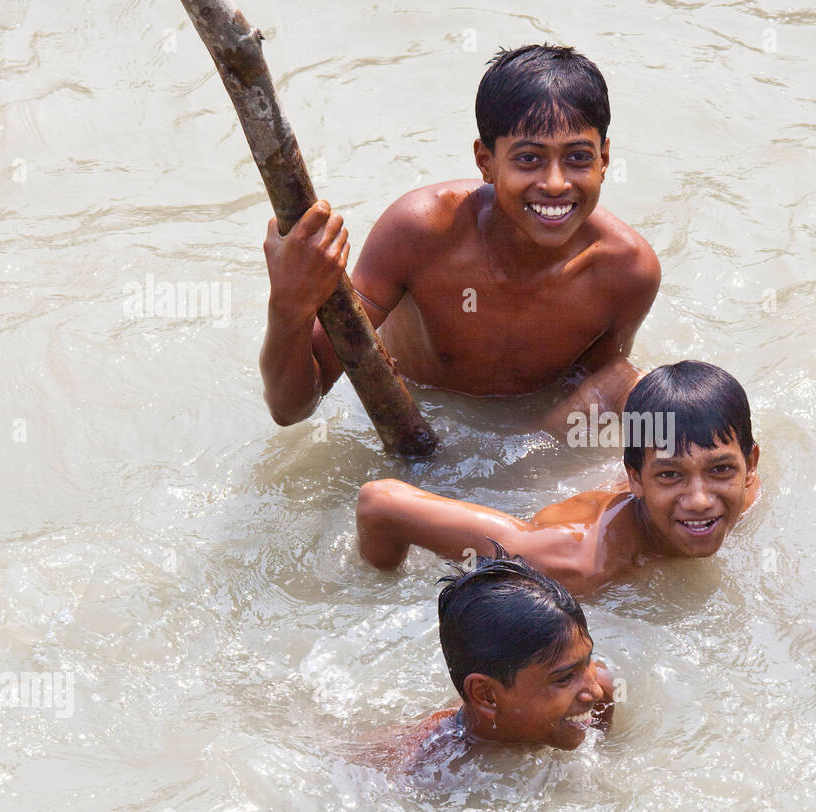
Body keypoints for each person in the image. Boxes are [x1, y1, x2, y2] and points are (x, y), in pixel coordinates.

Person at [259, 44, 660, 434]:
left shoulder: (627, 270)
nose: (555, 183)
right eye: (529, 159)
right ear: (485, 161)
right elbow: (291, 408)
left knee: (631, 386)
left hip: (529, 441)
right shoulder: (421, 232)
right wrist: (289, 303)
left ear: (604, 160)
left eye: (578, 157)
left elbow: (590, 387)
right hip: (412, 421)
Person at [355, 360, 761, 595]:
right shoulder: (573, 563)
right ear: (635, 478)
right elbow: (380, 504)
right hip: (516, 478)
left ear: (750, 464)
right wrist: (380, 588)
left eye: (720, 469)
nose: (701, 500)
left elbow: (625, 377)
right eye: (671, 475)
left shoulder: (745, 491)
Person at [370, 546, 614, 771]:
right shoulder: (425, 766)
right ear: (486, 695)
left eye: (588, 659)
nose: (594, 692)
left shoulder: (600, 696)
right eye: (564, 678)